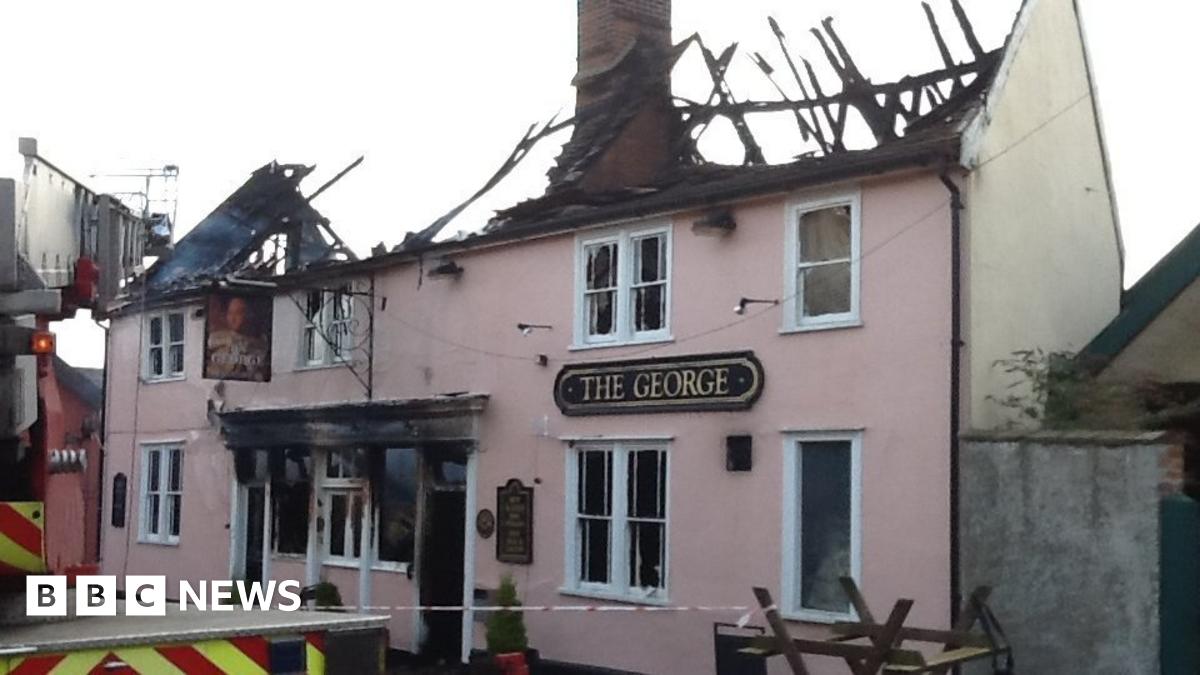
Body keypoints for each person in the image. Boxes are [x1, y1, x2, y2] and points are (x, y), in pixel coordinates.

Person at [206, 296, 269, 381]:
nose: (233, 318)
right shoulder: (217, 337)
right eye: (230, 313)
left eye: (238, 313)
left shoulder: (259, 343)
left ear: (247, 315)